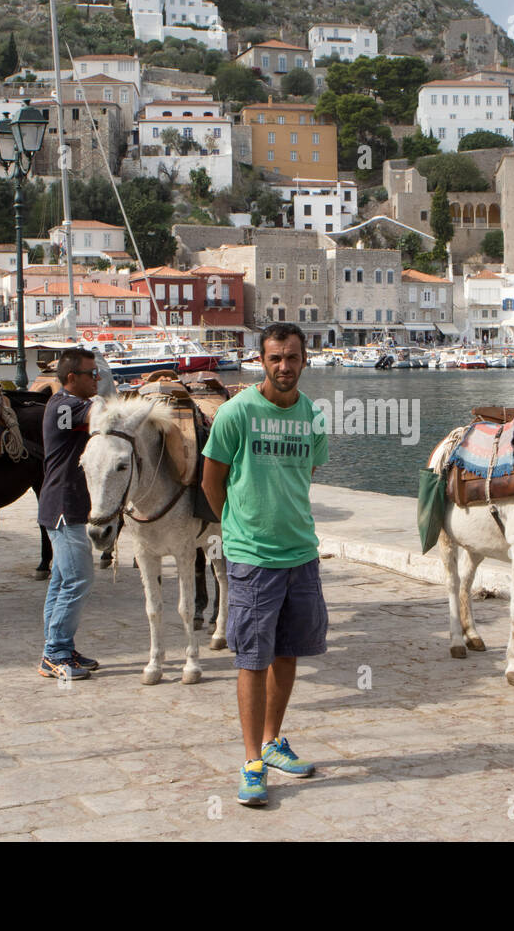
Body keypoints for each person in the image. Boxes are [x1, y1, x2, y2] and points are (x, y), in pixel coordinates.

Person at [201, 322, 329, 808]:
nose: (283, 366)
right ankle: (252, 760)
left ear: (303, 359)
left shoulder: (313, 415)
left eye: (291, 357)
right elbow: (213, 480)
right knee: (252, 659)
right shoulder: (237, 414)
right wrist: (237, 530)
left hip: (301, 552)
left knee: (288, 651)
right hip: (253, 557)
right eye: (275, 357)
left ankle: (274, 742)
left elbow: (307, 473)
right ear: (262, 360)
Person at [36, 347, 101, 680]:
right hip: (65, 506)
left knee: (62, 582)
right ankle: (55, 653)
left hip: (63, 504)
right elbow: (100, 414)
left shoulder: (70, 405)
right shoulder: (65, 405)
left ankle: (59, 646)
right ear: (72, 377)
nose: (98, 379)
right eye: (92, 373)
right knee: (78, 579)